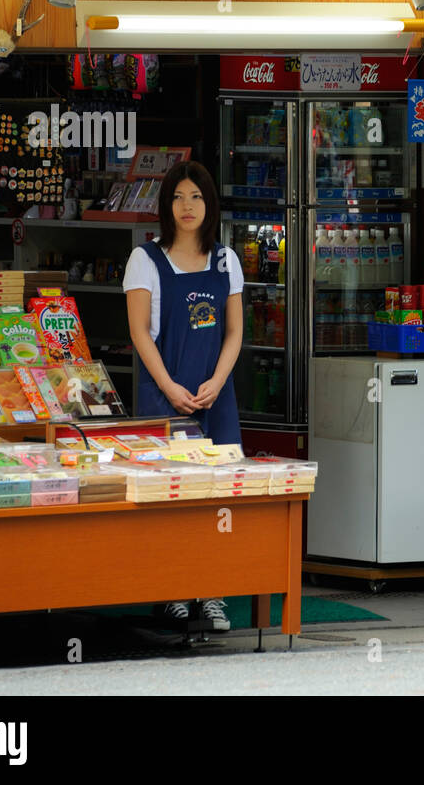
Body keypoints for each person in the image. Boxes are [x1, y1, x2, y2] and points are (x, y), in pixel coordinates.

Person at [123, 160, 243, 630]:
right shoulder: (145, 259)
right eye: (177, 197)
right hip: (163, 396)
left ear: (209, 204)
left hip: (217, 398)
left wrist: (216, 381)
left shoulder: (225, 260)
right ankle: (170, 591)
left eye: (195, 197)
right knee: (169, 498)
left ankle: (212, 593)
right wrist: (170, 388)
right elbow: (139, 333)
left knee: (218, 497)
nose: (187, 206)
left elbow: (234, 334)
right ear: (165, 204)